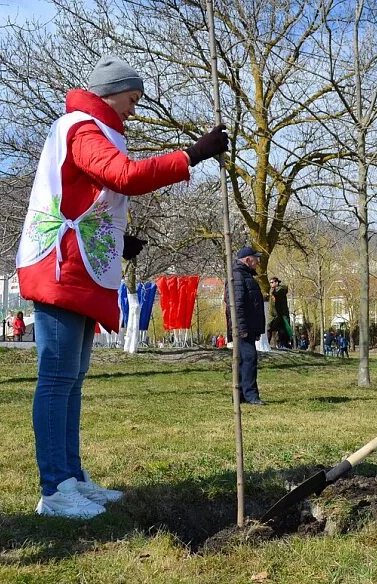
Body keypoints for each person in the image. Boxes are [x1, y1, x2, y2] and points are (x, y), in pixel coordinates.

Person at [16, 56, 229, 519]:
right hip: (61, 267)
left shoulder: (92, 129)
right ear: (110, 93)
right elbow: (124, 176)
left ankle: (71, 477)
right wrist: (192, 155)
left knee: (71, 380)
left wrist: (117, 238)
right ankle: (54, 489)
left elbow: (84, 194)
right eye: (131, 100)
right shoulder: (82, 128)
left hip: (77, 266)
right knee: (56, 379)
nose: (133, 110)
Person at [225, 246, 266, 405]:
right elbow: (236, 305)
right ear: (248, 260)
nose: (258, 262)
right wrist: (240, 328)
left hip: (248, 327)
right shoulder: (238, 276)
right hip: (243, 328)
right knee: (249, 359)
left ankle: (240, 394)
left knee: (244, 360)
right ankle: (251, 395)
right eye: (256, 259)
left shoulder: (245, 275)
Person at [267, 277, 291, 349]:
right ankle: (267, 344)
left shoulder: (281, 289)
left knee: (283, 329)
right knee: (269, 328)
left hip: (282, 314)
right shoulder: (272, 290)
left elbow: (277, 293)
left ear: (276, 282)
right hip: (273, 314)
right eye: (270, 283)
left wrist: (272, 291)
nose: (271, 284)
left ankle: (283, 345)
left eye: (272, 282)